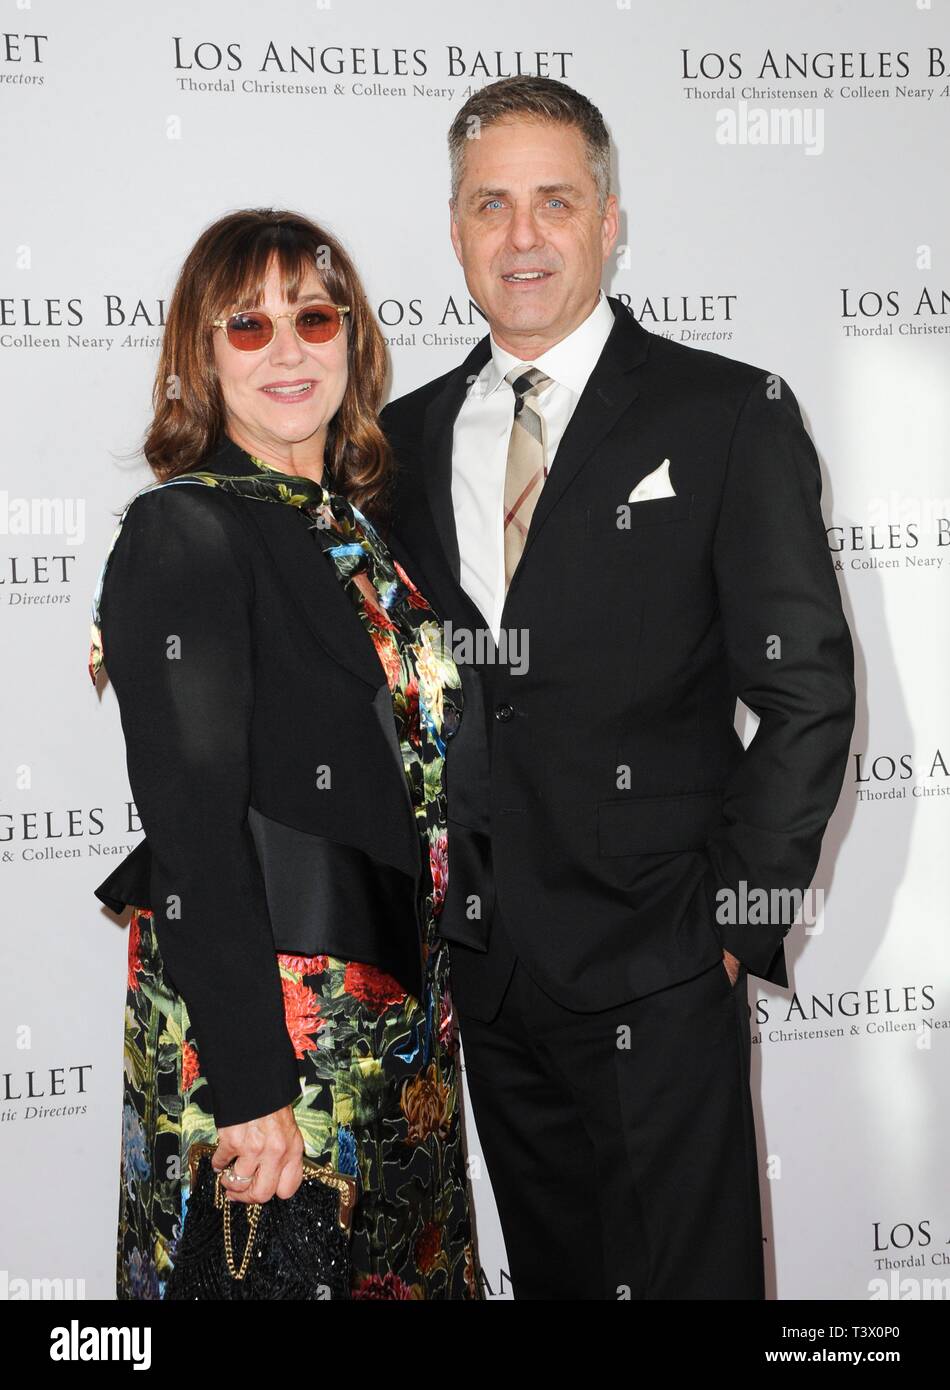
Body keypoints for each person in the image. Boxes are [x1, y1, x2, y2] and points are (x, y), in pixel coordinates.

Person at [380, 77, 856, 1299]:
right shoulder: (402, 439)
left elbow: (804, 689)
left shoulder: (721, 413)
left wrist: (732, 925)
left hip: (661, 961)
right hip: (486, 972)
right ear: (453, 230)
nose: (521, 235)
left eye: (554, 200)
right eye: (491, 204)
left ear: (607, 220)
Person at [89, 208, 481, 1300]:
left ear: (351, 337)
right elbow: (195, 833)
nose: (290, 347)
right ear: (198, 358)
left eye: (313, 316)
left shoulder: (364, 534)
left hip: (392, 1029)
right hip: (276, 1042)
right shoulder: (185, 531)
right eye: (248, 326)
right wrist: (252, 1086)